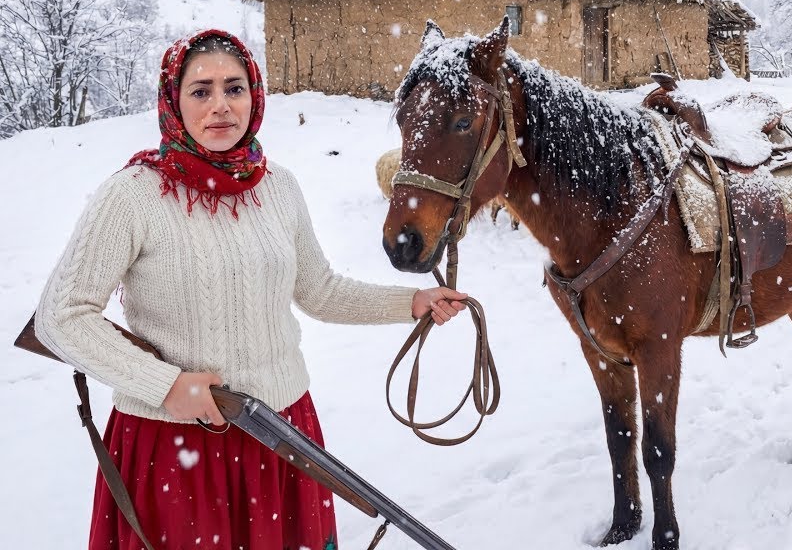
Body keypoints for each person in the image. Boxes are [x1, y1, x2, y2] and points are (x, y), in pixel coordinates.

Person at [34, 29, 468, 550]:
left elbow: (319, 290)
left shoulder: (277, 187)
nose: (221, 106)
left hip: (281, 435)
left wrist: (411, 302)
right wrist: (166, 384)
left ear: (255, 96)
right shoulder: (130, 196)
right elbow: (60, 316)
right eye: (201, 91)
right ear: (173, 100)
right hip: (174, 446)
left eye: (234, 88)